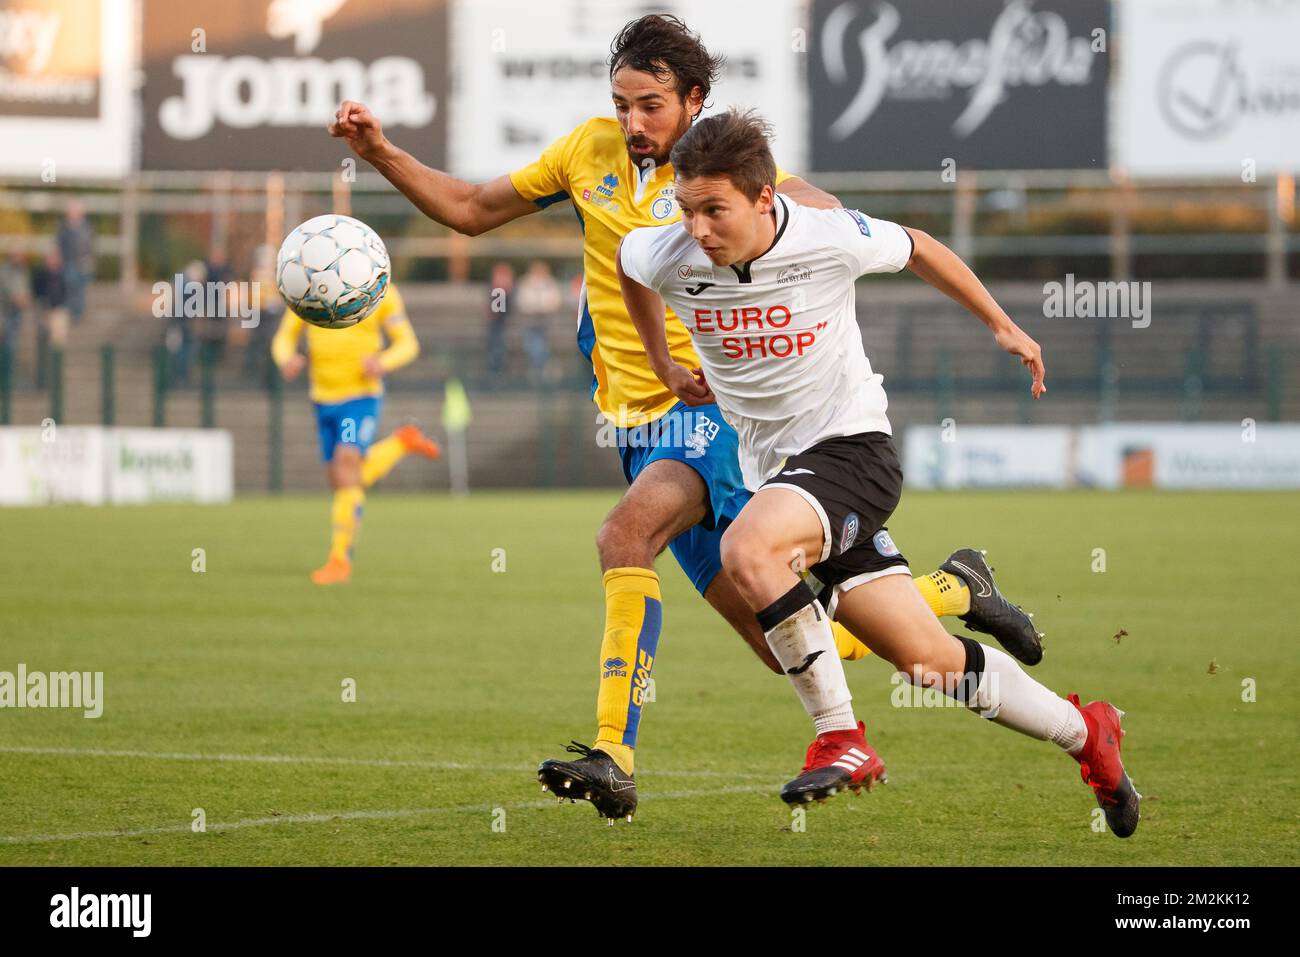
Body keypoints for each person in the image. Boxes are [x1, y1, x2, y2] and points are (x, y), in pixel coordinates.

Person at [328, 13, 1040, 824]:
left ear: (694, 101)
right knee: (789, 639)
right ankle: (951, 588)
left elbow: (821, 219)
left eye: (652, 105)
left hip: (710, 414)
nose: (634, 121)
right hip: (634, 425)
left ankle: (613, 753)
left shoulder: (726, 180)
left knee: (623, 537)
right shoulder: (585, 154)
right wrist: (379, 152)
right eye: (623, 103)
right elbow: (467, 207)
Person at [617, 110, 1139, 838]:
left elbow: (921, 246)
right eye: (688, 208)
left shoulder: (827, 236)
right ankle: (1090, 734)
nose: (699, 229)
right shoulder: (667, 251)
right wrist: (666, 364)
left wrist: (1001, 323)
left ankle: (839, 735)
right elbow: (631, 267)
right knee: (929, 660)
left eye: (716, 210)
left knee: (747, 550)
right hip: (782, 474)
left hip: (852, 451)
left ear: (766, 197)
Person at [270, 283, 442, 585]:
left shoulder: (381, 291)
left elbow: (408, 344)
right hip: (322, 399)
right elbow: (284, 337)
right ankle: (403, 441)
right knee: (343, 478)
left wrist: (382, 362)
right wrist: (286, 359)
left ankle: (340, 560)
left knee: (346, 463)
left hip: (360, 397)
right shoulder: (309, 286)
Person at [516, 260, 563, 384]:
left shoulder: (550, 284)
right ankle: (542, 368)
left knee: (541, 343)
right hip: (531, 324)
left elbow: (554, 303)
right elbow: (524, 303)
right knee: (534, 342)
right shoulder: (526, 283)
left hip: (547, 325)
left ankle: (540, 370)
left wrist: (540, 306)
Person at [57, 200, 92, 324]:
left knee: (80, 288)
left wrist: (88, 259)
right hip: (69, 262)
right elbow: (60, 244)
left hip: (83, 262)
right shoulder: (64, 227)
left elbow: (90, 245)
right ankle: (71, 312)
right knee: (69, 285)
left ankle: (78, 313)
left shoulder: (86, 226)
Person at [484, 262, 514, 379]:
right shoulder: (497, 293)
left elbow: (498, 312)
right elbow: (495, 313)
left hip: (502, 330)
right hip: (496, 330)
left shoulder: (504, 294)